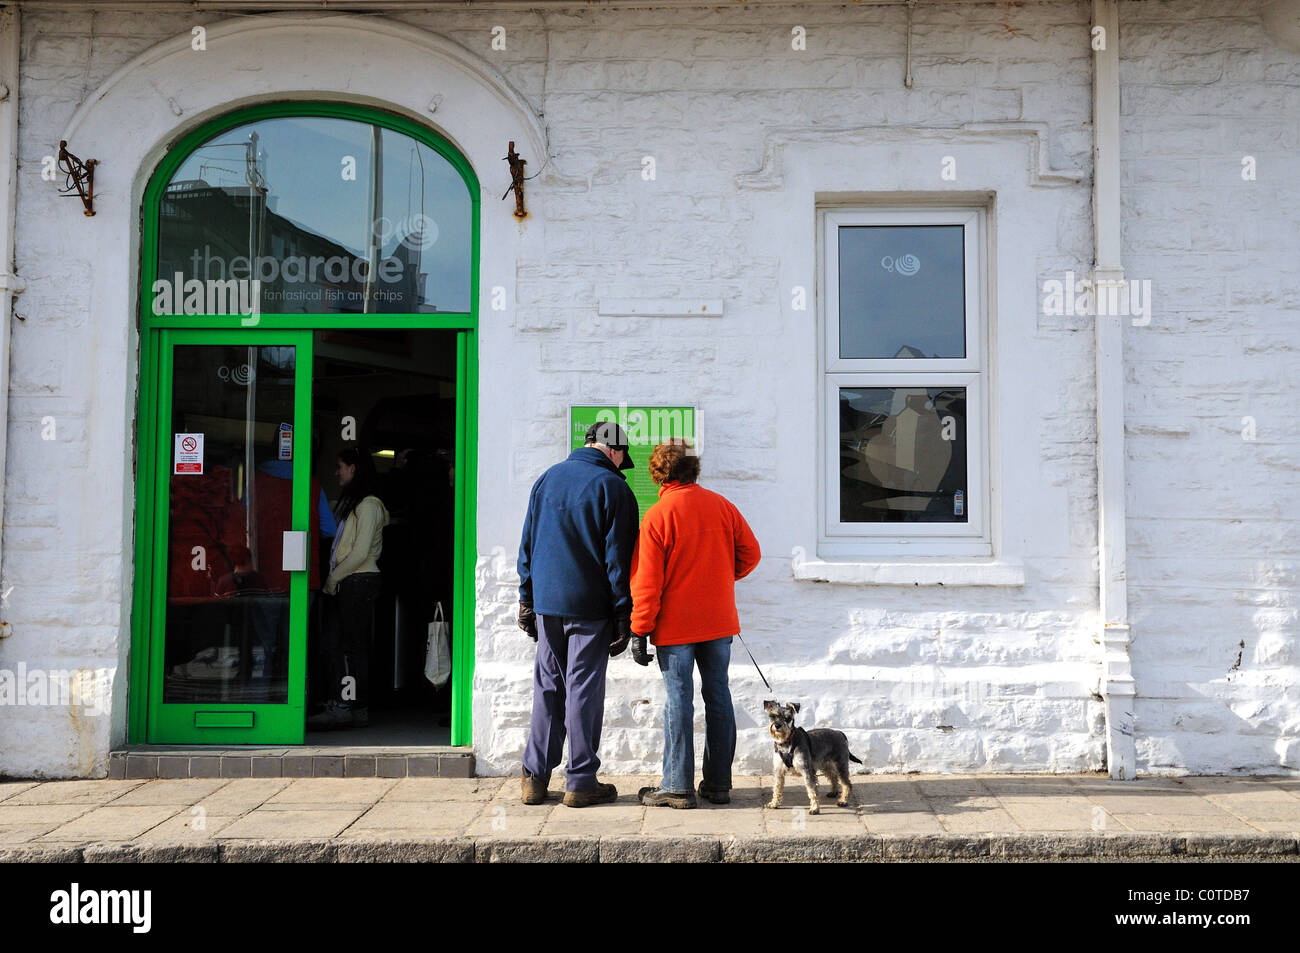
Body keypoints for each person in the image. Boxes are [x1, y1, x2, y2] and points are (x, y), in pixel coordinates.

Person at [630, 439, 761, 809]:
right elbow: (751, 554)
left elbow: (647, 581)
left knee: (678, 700)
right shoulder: (721, 506)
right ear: (694, 470)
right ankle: (718, 783)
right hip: (718, 621)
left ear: (658, 474)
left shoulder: (658, 515)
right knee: (718, 695)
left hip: (675, 627)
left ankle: (677, 785)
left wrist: (640, 628)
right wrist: (720, 577)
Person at [516, 421, 639, 807]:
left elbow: (528, 544)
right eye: (622, 456)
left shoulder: (546, 479)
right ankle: (581, 780)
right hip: (590, 606)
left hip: (547, 604)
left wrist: (526, 596)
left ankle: (534, 778)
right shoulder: (614, 486)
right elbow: (617, 560)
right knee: (583, 688)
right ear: (614, 451)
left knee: (548, 686)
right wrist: (624, 614)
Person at [308, 448, 389, 730]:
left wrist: (332, 579)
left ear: (354, 469)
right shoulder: (355, 503)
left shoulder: (368, 506)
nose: (336, 472)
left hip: (356, 581)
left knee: (348, 647)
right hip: (351, 581)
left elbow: (360, 552)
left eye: (341, 466)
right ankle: (347, 706)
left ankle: (350, 707)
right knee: (339, 645)